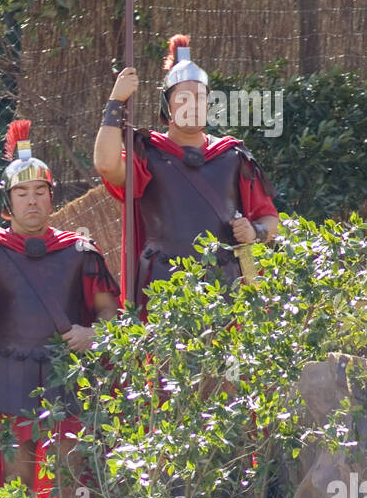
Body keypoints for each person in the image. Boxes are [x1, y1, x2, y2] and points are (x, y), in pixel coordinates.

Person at [0, 119, 119, 498]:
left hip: (67, 375)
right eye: (22, 193)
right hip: (8, 375)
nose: (32, 200)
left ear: (51, 197)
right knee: (16, 487)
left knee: (70, 482)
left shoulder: (80, 252)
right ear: (8, 203)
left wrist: (95, 335)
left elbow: (112, 315)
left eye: (40, 191)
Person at [94, 34, 279, 312]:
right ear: (167, 106)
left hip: (225, 288)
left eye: (200, 97)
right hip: (162, 288)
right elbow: (107, 165)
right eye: (183, 98)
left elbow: (271, 220)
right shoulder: (148, 154)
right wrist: (116, 101)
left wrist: (255, 231)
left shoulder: (232, 156)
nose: (192, 104)